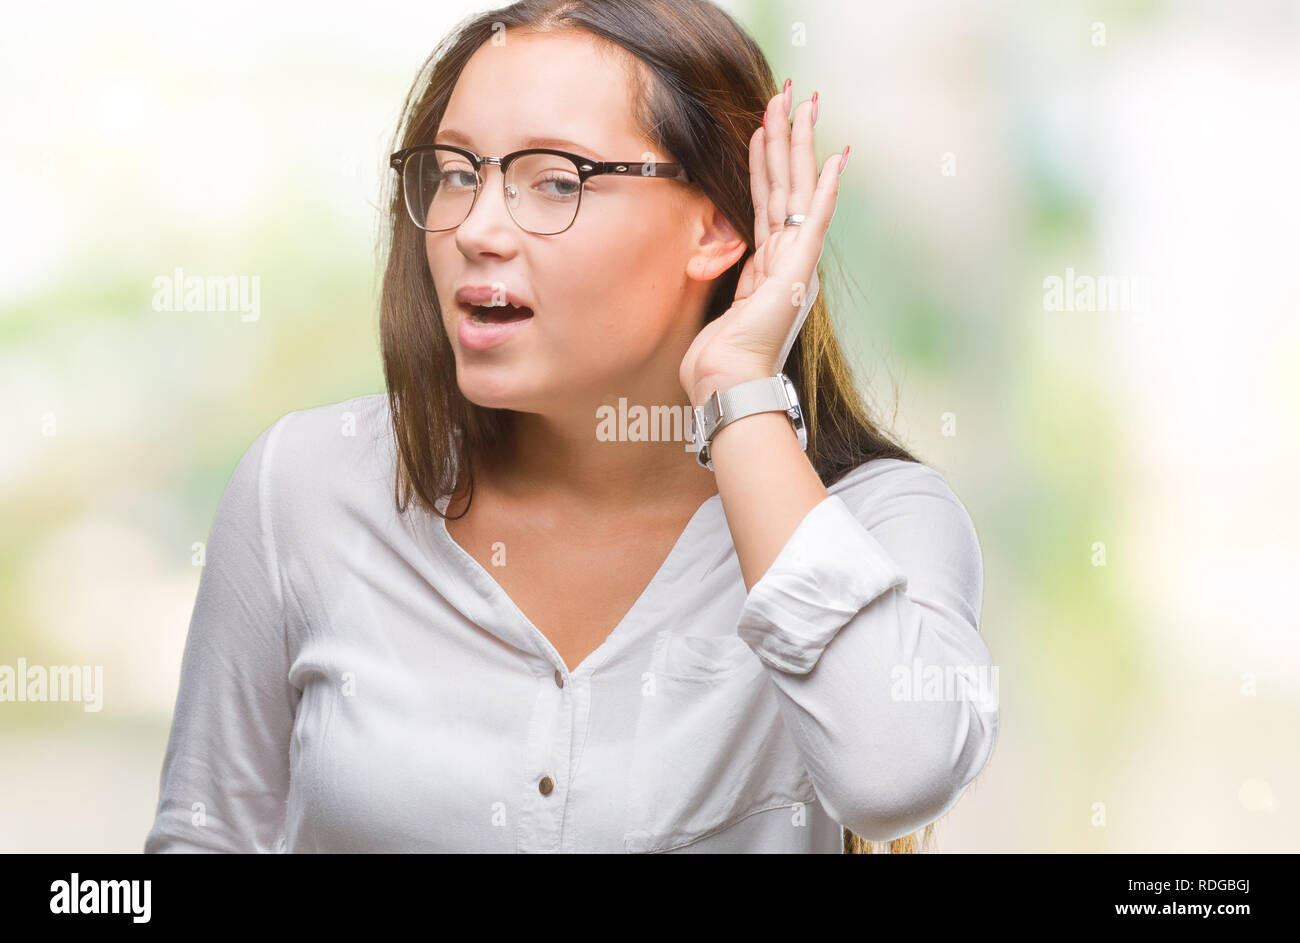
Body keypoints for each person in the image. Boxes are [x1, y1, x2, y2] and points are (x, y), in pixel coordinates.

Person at [145, 0, 998, 854]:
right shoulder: (305, 486)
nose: (476, 229)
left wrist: (737, 384)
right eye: (454, 172)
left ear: (718, 227)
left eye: (554, 179)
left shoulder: (879, 520)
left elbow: (897, 780)